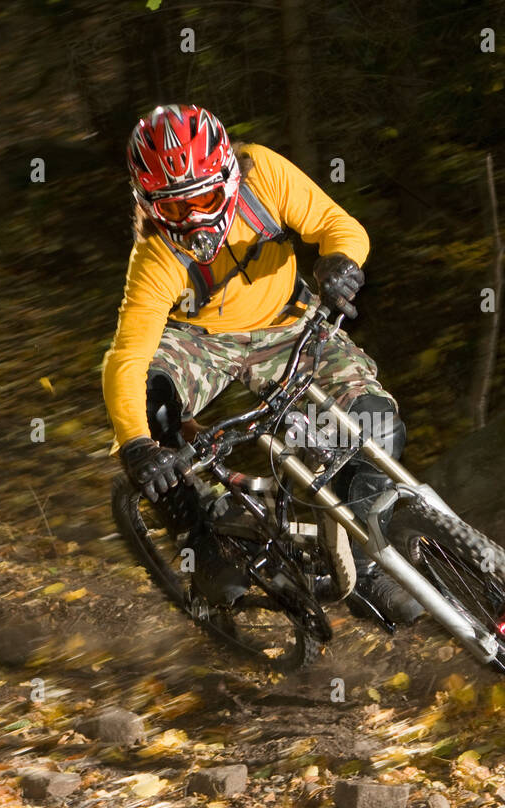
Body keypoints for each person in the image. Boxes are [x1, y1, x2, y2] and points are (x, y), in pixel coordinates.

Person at [101, 103, 422, 624]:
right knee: (150, 400)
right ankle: (198, 540)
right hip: (204, 342)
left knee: (375, 425)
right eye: (177, 209)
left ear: (229, 174)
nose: (198, 218)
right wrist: (138, 446)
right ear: (150, 205)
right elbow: (127, 356)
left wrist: (340, 261)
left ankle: (363, 567)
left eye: (204, 197)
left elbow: (338, 225)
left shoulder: (264, 173)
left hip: (289, 322)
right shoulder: (156, 256)